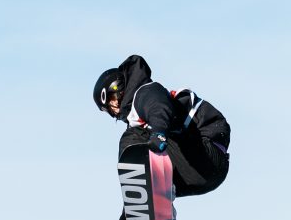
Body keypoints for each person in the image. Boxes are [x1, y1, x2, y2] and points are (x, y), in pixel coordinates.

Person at [92, 54, 231, 198]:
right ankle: (156, 200)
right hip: (206, 176)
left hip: (206, 152)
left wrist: (159, 133)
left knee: (132, 141)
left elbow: (159, 108)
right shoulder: (136, 117)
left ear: (118, 87)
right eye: (109, 109)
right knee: (155, 180)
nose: (114, 107)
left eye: (112, 99)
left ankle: (141, 193)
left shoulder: (144, 92)